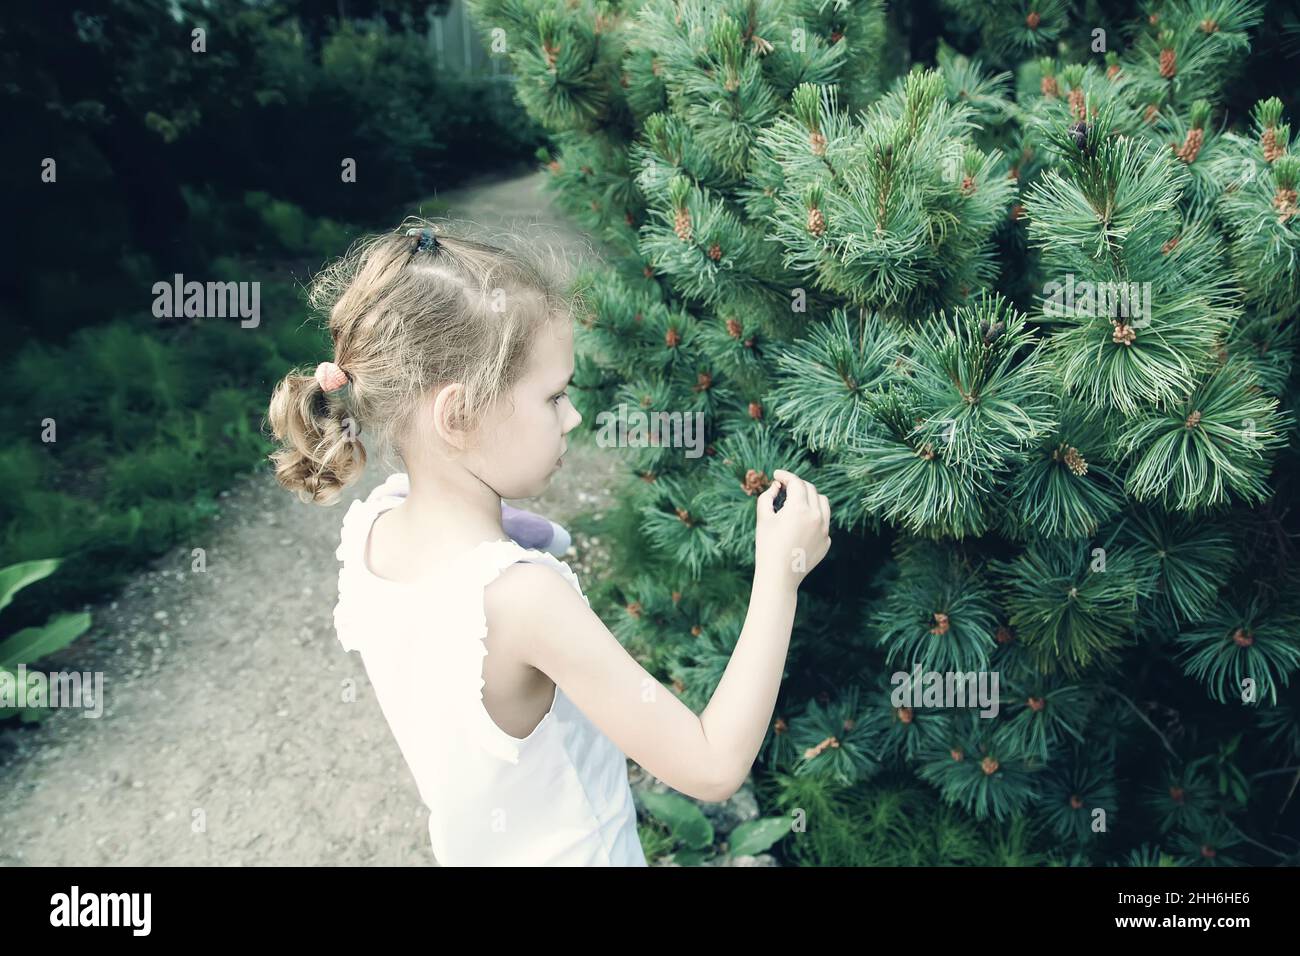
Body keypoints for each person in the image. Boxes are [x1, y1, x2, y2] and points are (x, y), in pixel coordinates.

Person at [265, 219, 831, 865]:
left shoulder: (374, 528)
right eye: (554, 396)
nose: (573, 416)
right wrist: (779, 576)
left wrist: (523, 538)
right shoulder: (524, 600)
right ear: (458, 415)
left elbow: (463, 582)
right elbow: (710, 765)